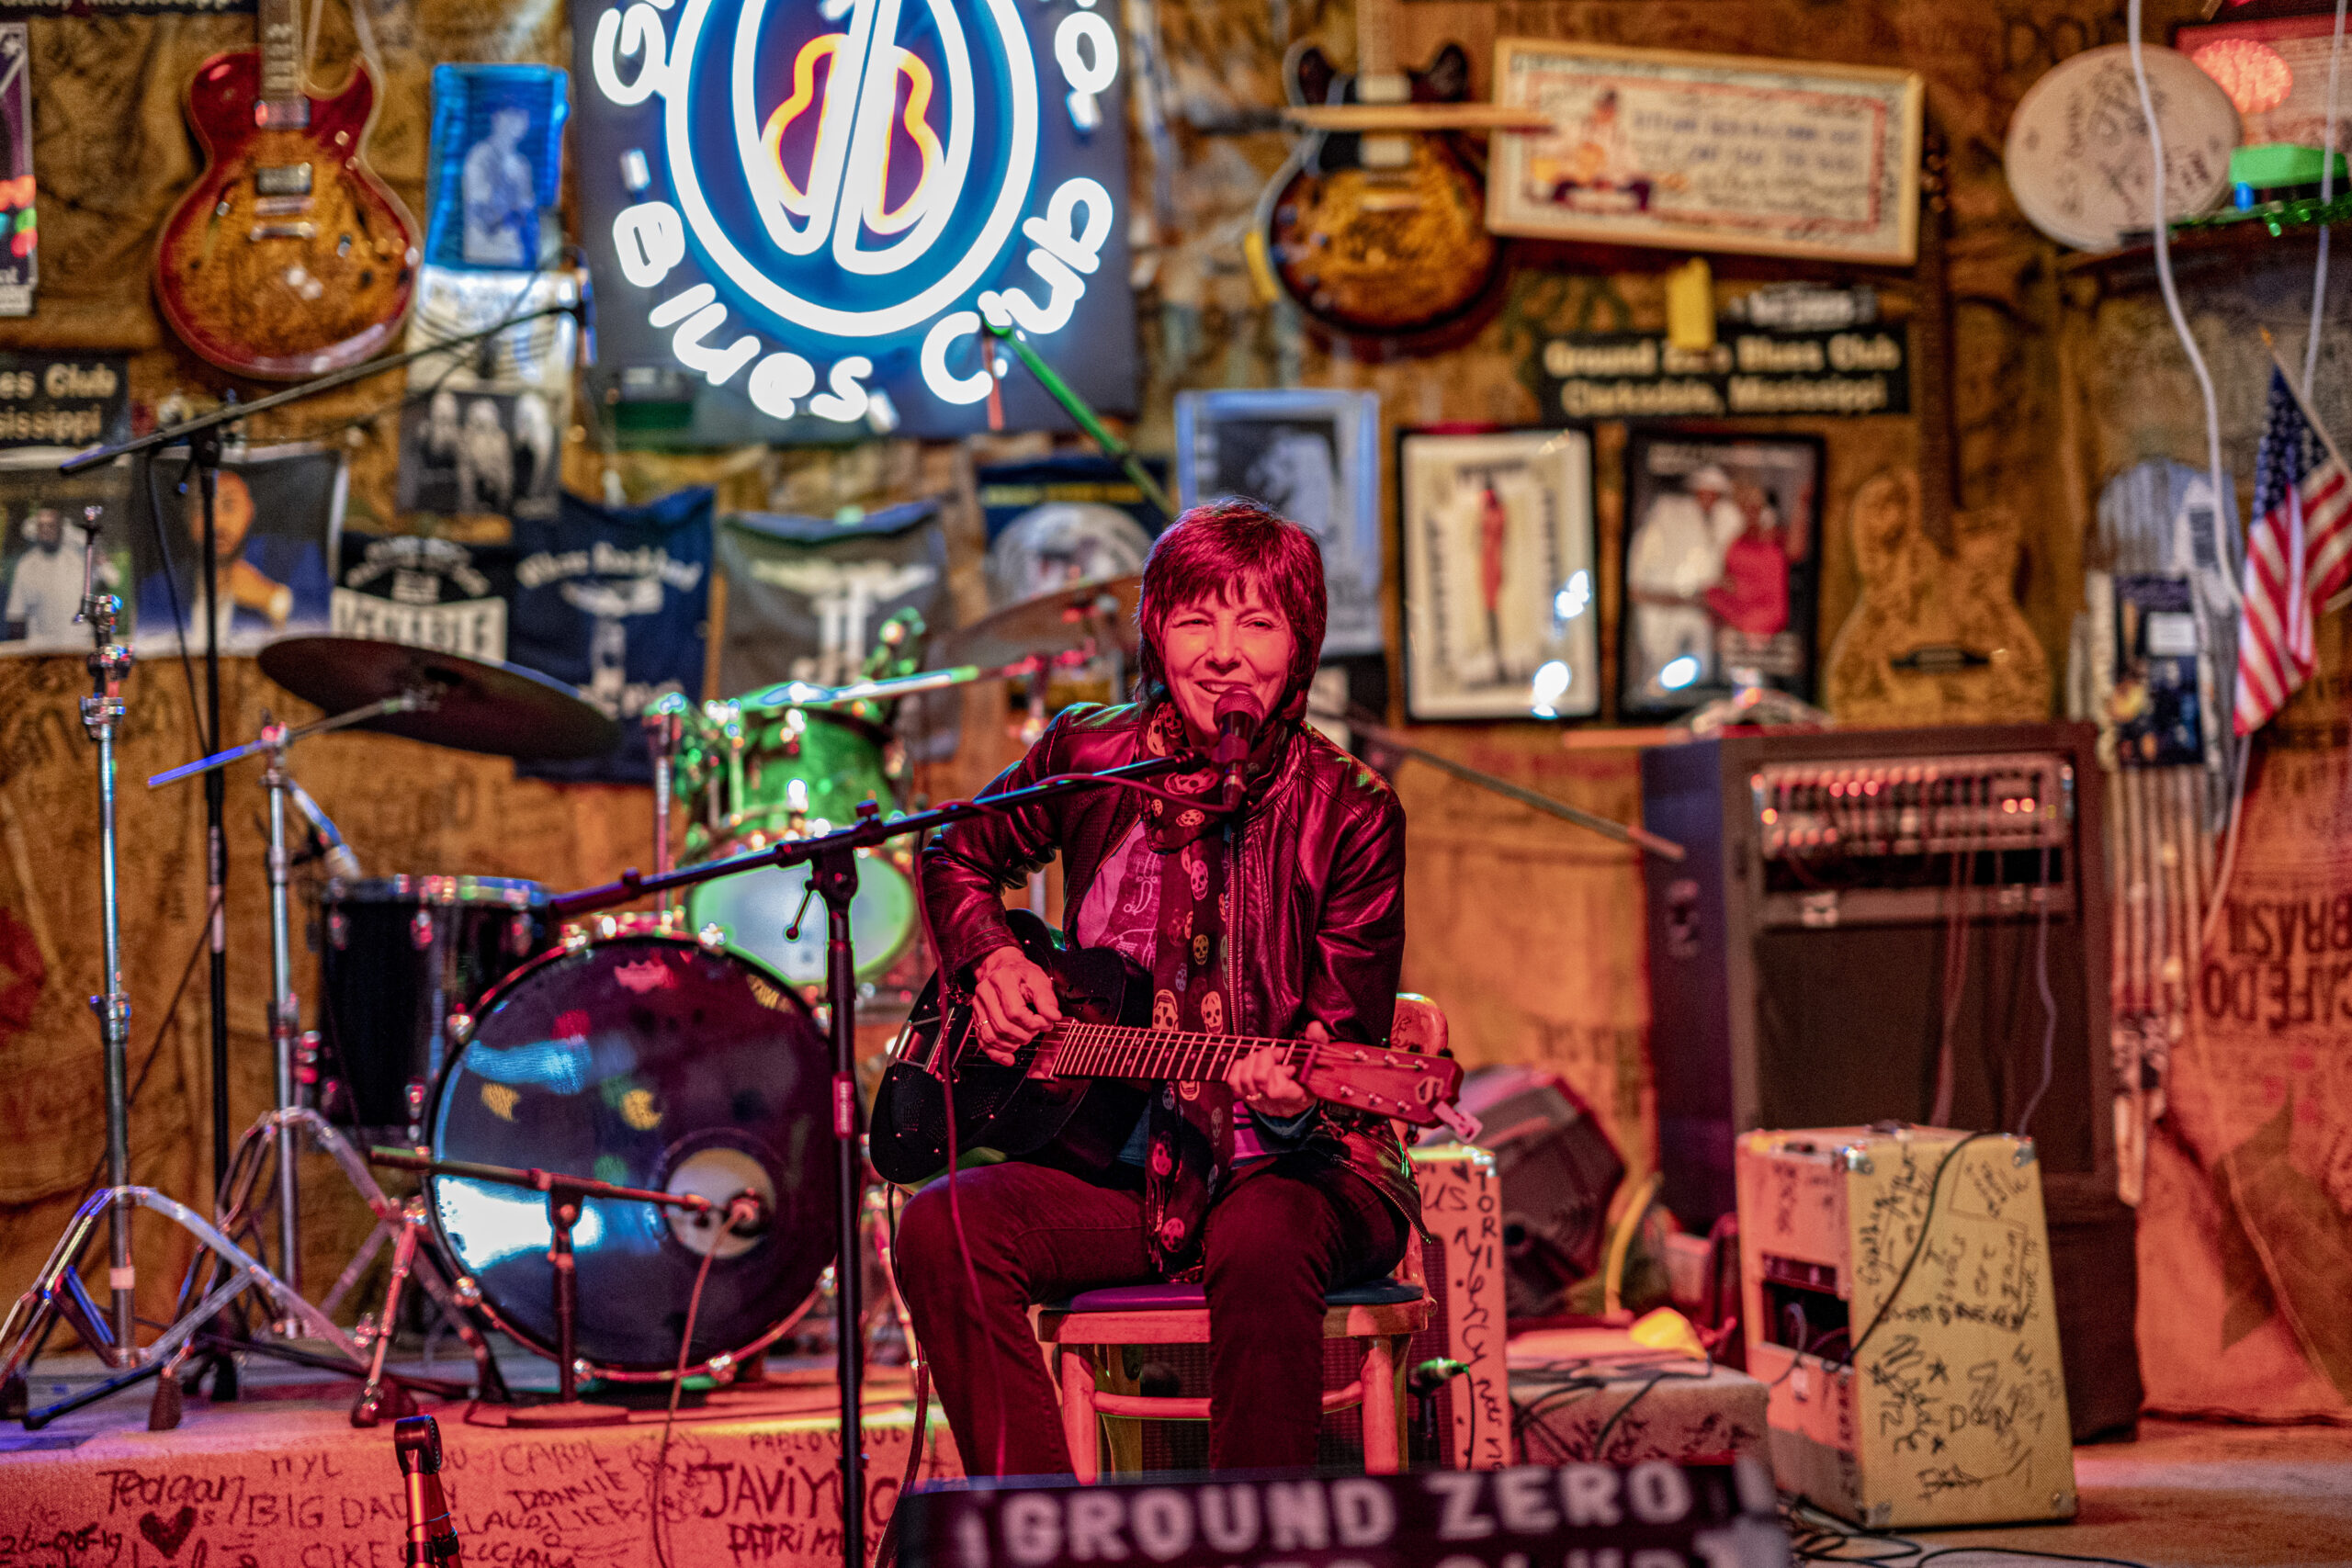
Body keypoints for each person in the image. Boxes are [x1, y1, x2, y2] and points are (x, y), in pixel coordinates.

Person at [899, 497, 1415, 1476]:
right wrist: (991, 959)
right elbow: (955, 851)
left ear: (1299, 648)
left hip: (1301, 1169)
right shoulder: (1087, 754)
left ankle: (1252, 1547)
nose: (1223, 653)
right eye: (1195, 620)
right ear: (1155, 633)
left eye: (1257, 623)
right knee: (942, 1227)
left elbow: (1342, 1037)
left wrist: (1295, 1098)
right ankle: (1041, 1533)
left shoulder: (1353, 812)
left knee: (1261, 1239)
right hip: (1125, 1172)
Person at [6, 505, 98, 645]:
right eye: (41, 526)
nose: (46, 530)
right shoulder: (26, 565)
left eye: (51, 525)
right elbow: (16, 616)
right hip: (42, 652)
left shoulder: (78, 561)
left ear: (61, 528)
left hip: (78, 647)